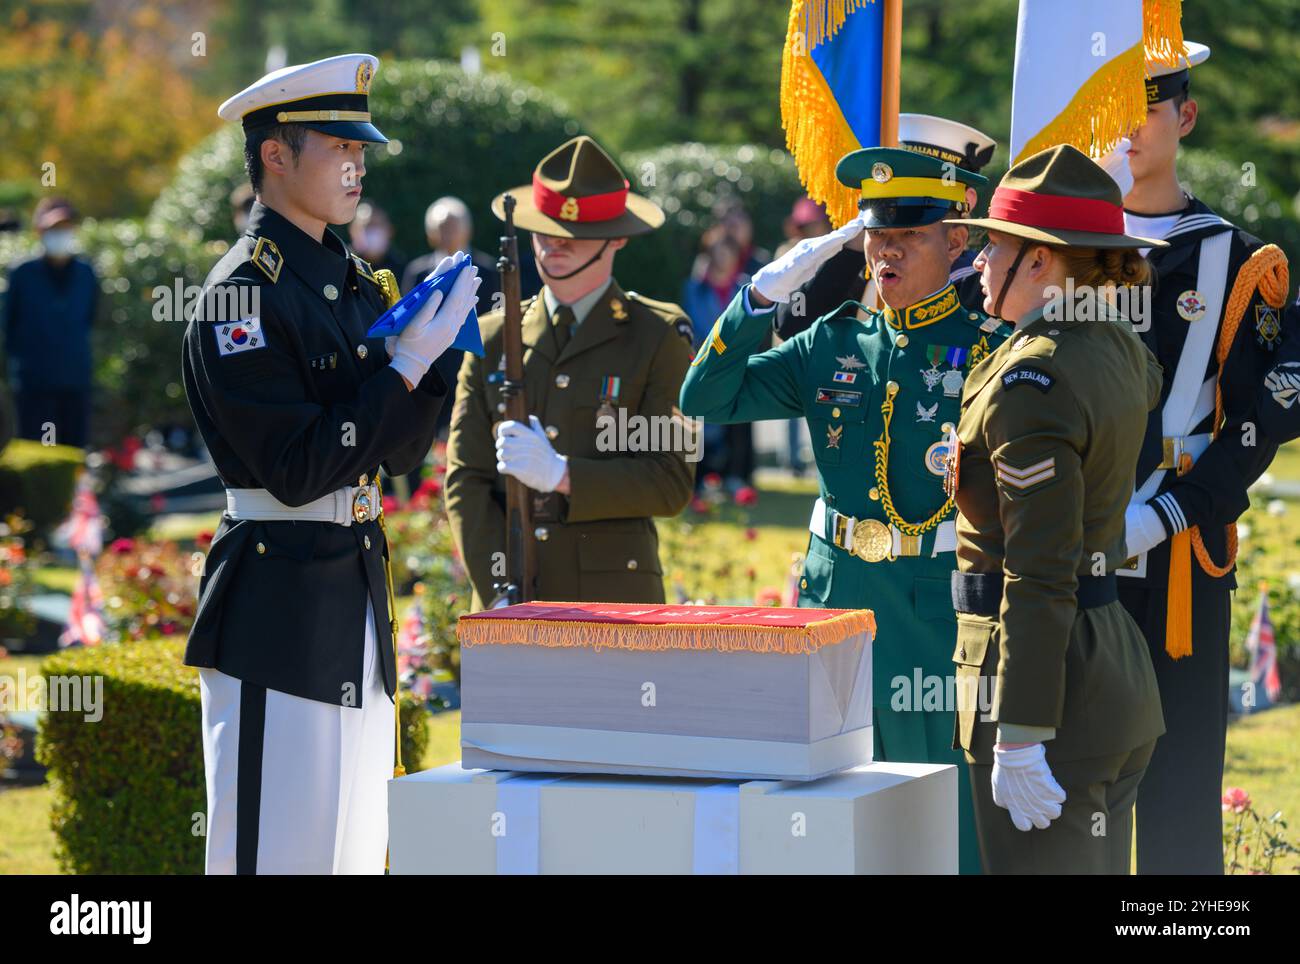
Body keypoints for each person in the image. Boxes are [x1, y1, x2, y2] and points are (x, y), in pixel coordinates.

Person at [181, 53, 478, 874]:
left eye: (361, 149)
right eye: (336, 147)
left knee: (349, 853)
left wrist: (432, 366)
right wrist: (402, 371)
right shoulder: (244, 294)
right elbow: (299, 468)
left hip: (352, 592)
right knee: (275, 854)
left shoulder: (347, 280)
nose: (356, 164)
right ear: (275, 154)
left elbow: (400, 451)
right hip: (276, 609)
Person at [680, 144, 1009, 875]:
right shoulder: (833, 341)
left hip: (930, 608)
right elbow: (702, 399)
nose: (885, 252)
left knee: (937, 804)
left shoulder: (987, 347)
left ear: (957, 240)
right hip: (833, 599)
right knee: (828, 798)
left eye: (909, 235)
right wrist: (756, 302)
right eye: (876, 235)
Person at [947, 144, 1167, 874]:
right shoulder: (1115, 346)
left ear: (1041, 262)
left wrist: (1021, 728)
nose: (978, 261)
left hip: (1050, 693)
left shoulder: (1031, 380)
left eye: (994, 246)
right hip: (1110, 669)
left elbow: (1038, 571)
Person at [1116, 42, 1293, 875]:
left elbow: (1269, 410)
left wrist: (1176, 509)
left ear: (1183, 116)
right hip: (1067, 538)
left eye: (1146, 104)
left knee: (1181, 781)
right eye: (1107, 103)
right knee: (1073, 776)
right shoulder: (1044, 247)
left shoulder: (1238, 258)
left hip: (1181, 550)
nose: (1124, 126)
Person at [445, 135, 696, 611]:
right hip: (513, 596)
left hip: (616, 604)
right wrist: (497, 589)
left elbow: (670, 481)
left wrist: (564, 476)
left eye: (574, 235)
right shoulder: (494, 337)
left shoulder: (657, 336)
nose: (554, 245)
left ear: (617, 237)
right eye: (544, 228)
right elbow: (467, 478)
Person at [774, 114, 997, 341]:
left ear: (967, 200)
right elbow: (792, 327)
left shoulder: (982, 283)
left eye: (912, 230)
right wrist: (853, 248)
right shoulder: (866, 262)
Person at [403, 197, 503, 441]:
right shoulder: (417, 273)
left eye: (453, 226)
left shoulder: (489, 271)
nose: (447, 233)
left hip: (475, 371)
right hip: (429, 375)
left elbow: (498, 321)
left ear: (467, 230)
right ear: (430, 233)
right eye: (441, 227)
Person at [3, 197, 98, 448]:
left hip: (75, 381)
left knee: (74, 451)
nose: (61, 235)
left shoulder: (86, 273)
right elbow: (9, 327)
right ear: (40, 231)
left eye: (65, 228)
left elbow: (88, 319)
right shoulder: (22, 273)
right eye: (54, 229)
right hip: (34, 385)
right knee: (38, 449)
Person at [348, 201, 407, 282]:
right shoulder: (345, 264)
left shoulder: (404, 270)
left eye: (377, 225)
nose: (372, 232)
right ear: (353, 230)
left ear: (390, 230)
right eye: (367, 225)